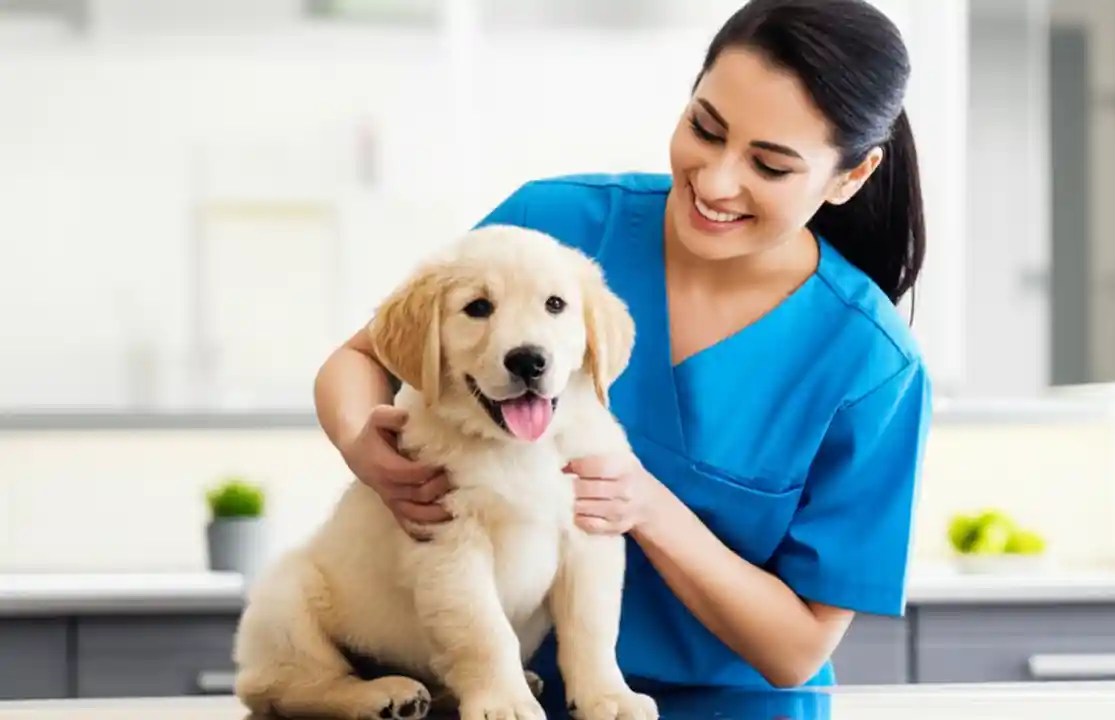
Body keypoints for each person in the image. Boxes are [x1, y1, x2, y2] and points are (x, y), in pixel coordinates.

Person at [313, 0, 931, 694]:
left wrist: (648, 507)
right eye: (705, 128)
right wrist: (359, 440)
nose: (717, 181)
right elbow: (363, 357)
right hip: (509, 692)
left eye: (770, 166)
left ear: (850, 176)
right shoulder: (553, 227)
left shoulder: (870, 365)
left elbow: (796, 650)